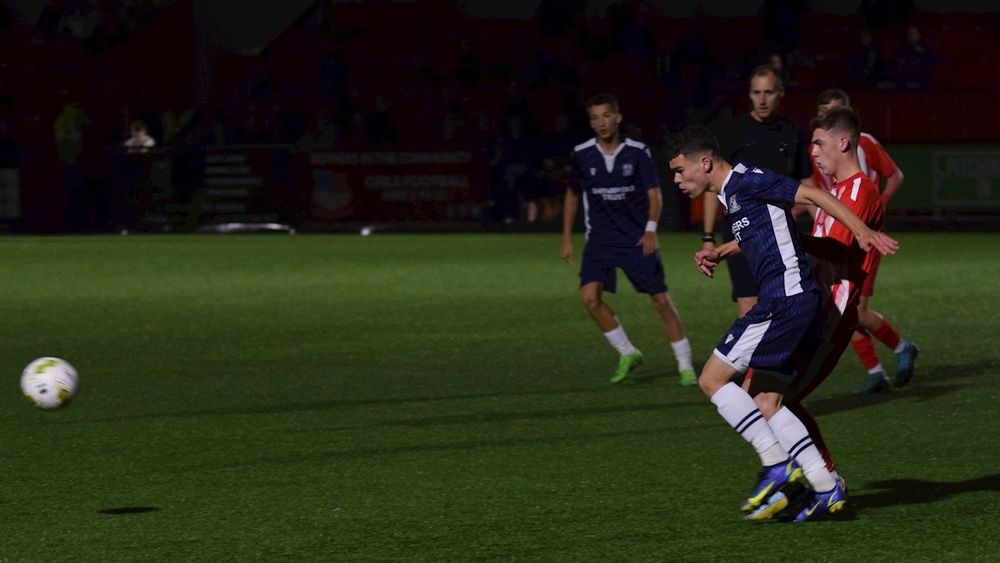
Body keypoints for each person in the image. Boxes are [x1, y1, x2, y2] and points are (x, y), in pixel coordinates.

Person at [666, 124, 898, 521]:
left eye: (679, 170)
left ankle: (776, 465)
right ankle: (825, 488)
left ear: (704, 162)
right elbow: (771, 229)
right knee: (767, 398)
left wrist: (862, 230)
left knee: (712, 379)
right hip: (791, 298)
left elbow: (811, 194)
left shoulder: (746, 181)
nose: (676, 180)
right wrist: (727, 250)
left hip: (783, 299)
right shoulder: (734, 194)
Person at [561, 93, 696, 386]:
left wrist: (650, 230)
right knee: (589, 298)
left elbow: (654, 195)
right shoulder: (582, 153)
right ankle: (627, 352)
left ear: (618, 117)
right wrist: (567, 238)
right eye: (595, 118)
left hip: (635, 239)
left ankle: (685, 364)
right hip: (599, 240)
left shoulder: (637, 152)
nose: (601, 123)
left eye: (606, 115)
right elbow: (572, 194)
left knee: (661, 301)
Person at [811, 89, 920, 393]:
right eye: (823, 110)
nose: (826, 115)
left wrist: (878, 206)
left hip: (862, 235)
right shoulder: (818, 150)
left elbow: (895, 175)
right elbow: (816, 188)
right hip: (839, 221)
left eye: (833, 110)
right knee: (846, 312)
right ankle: (878, 371)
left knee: (852, 310)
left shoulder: (866, 146)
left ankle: (899, 349)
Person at [702, 64, 813, 320]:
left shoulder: (792, 132)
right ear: (749, 94)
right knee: (750, 309)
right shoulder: (733, 131)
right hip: (739, 231)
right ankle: (749, 360)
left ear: (781, 93)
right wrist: (707, 236)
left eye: (769, 92)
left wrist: (823, 223)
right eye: (756, 92)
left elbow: (806, 183)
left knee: (784, 308)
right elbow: (712, 186)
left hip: (779, 234)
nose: (762, 100)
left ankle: (767, 360)